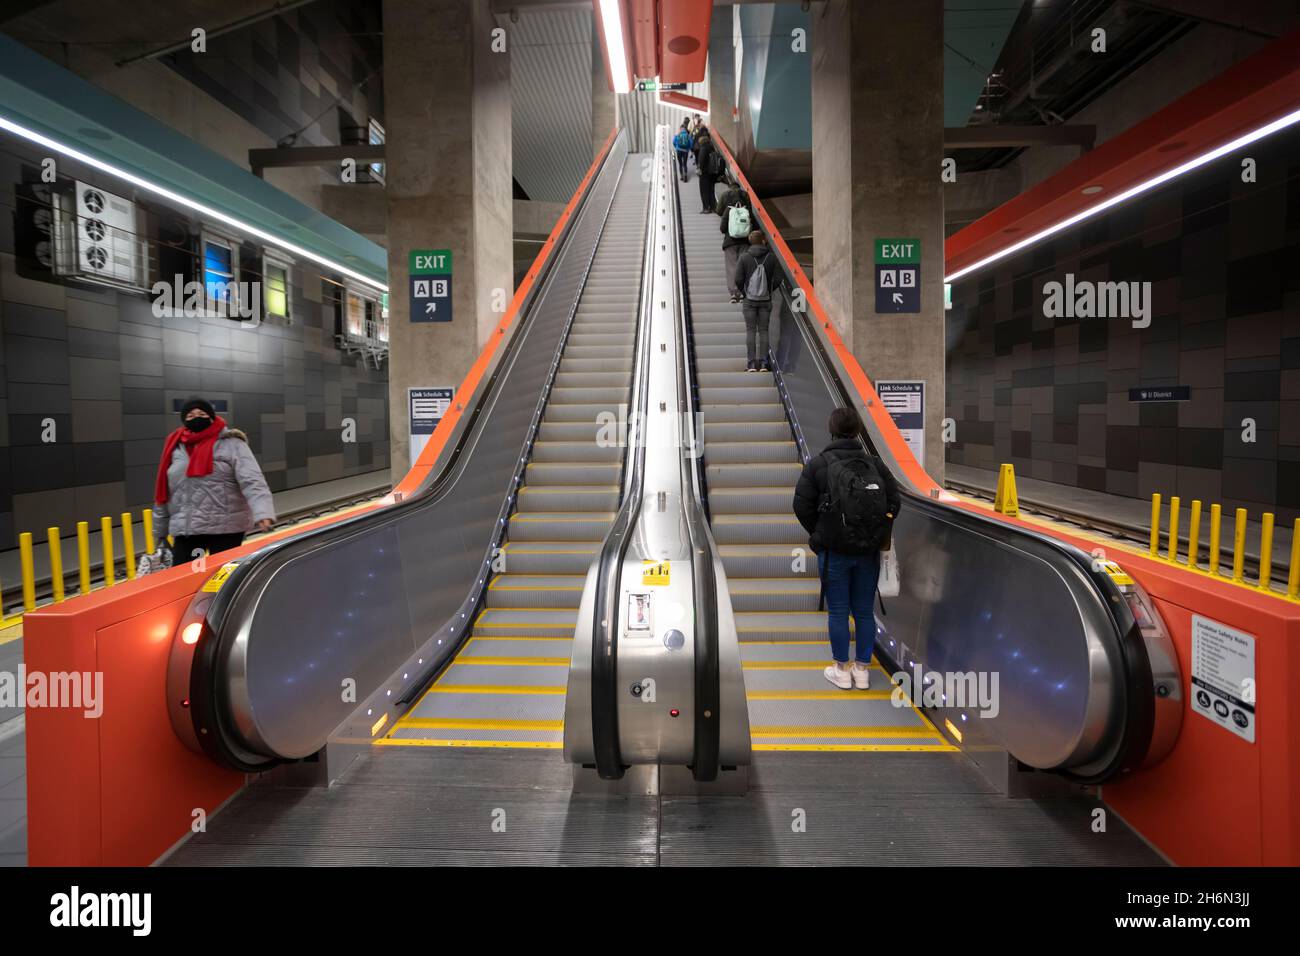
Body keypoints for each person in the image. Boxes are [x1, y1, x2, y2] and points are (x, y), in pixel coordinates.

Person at [792, 407, 901, 691]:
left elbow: (801, 505)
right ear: (857, 431)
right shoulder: (875, 465)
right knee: (864, 611)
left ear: (831, 430)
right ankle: (862, 670)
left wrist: (820, 534)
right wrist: (875, 533)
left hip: (833, 552)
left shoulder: (818, 465)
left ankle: (841, 670)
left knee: (838, 611)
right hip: (867, 553)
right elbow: (894, 503)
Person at [153, 397, 276, 564]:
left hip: (225, 528)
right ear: (184, 421)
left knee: (222, 579)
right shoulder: (174, 448)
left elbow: (252, 479)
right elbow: (165, 491)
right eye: (190, 415)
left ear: (211, 417)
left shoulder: (232, 444)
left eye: (202, 413)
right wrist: (159, 530)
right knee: (190, 579)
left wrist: (263, 513)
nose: (196, 417)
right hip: (188, 529)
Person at [732, 230, 781, 371]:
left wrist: (745, 292)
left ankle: (752, 363)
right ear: (763, 240)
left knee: (751, 330)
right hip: (766, 300)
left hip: (749, 300)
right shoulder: (771, 257)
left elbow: (738, 279)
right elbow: (778, 278)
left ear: (750, 241)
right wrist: (769, 290)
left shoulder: (744, 257)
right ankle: (765, 363)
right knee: (764, 330)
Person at [717, 176, 752, 303]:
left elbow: (722, 227)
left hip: (730, 242)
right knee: (743, 266)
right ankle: (743, 292)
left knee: (732, 267)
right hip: (745, 240)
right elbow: (751, 216)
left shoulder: (727, 206)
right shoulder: (746, 196)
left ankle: (734, 293)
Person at [694, 130, 719, 213]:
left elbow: (701, 161)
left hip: (704, 174)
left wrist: (699, 169)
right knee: (711, 190)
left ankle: (706, 208)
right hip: (712, 173)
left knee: (704, 191)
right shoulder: (712, 148)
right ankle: (713, 207)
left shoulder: (703, 149)